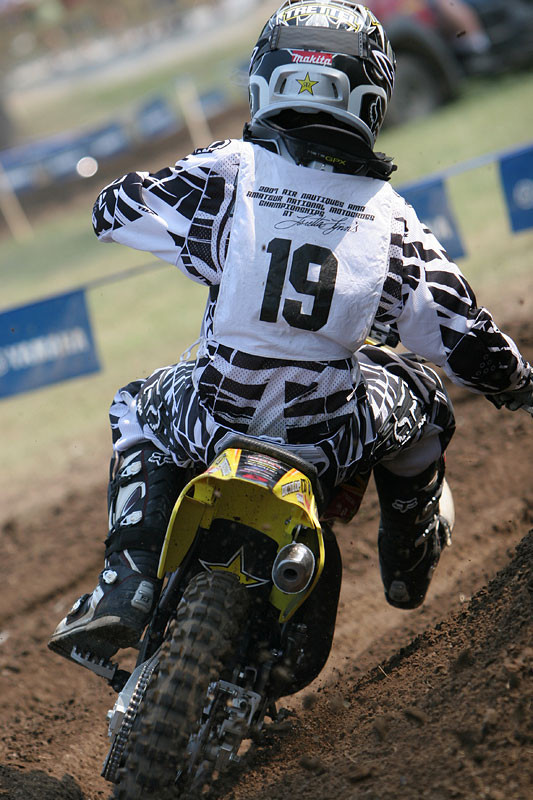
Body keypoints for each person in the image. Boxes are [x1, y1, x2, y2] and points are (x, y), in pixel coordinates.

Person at [49, 1, 532, 666]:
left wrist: (207, 245)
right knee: (422, 400)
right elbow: (461, 335)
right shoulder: (391, 218)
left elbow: (115, 210)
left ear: (267, 77)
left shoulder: (231, 169)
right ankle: (408, 549)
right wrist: (516, 383)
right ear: (372, 93)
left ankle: (125, 578)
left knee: (136, 404)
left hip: (215, 415)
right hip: (328, 433)